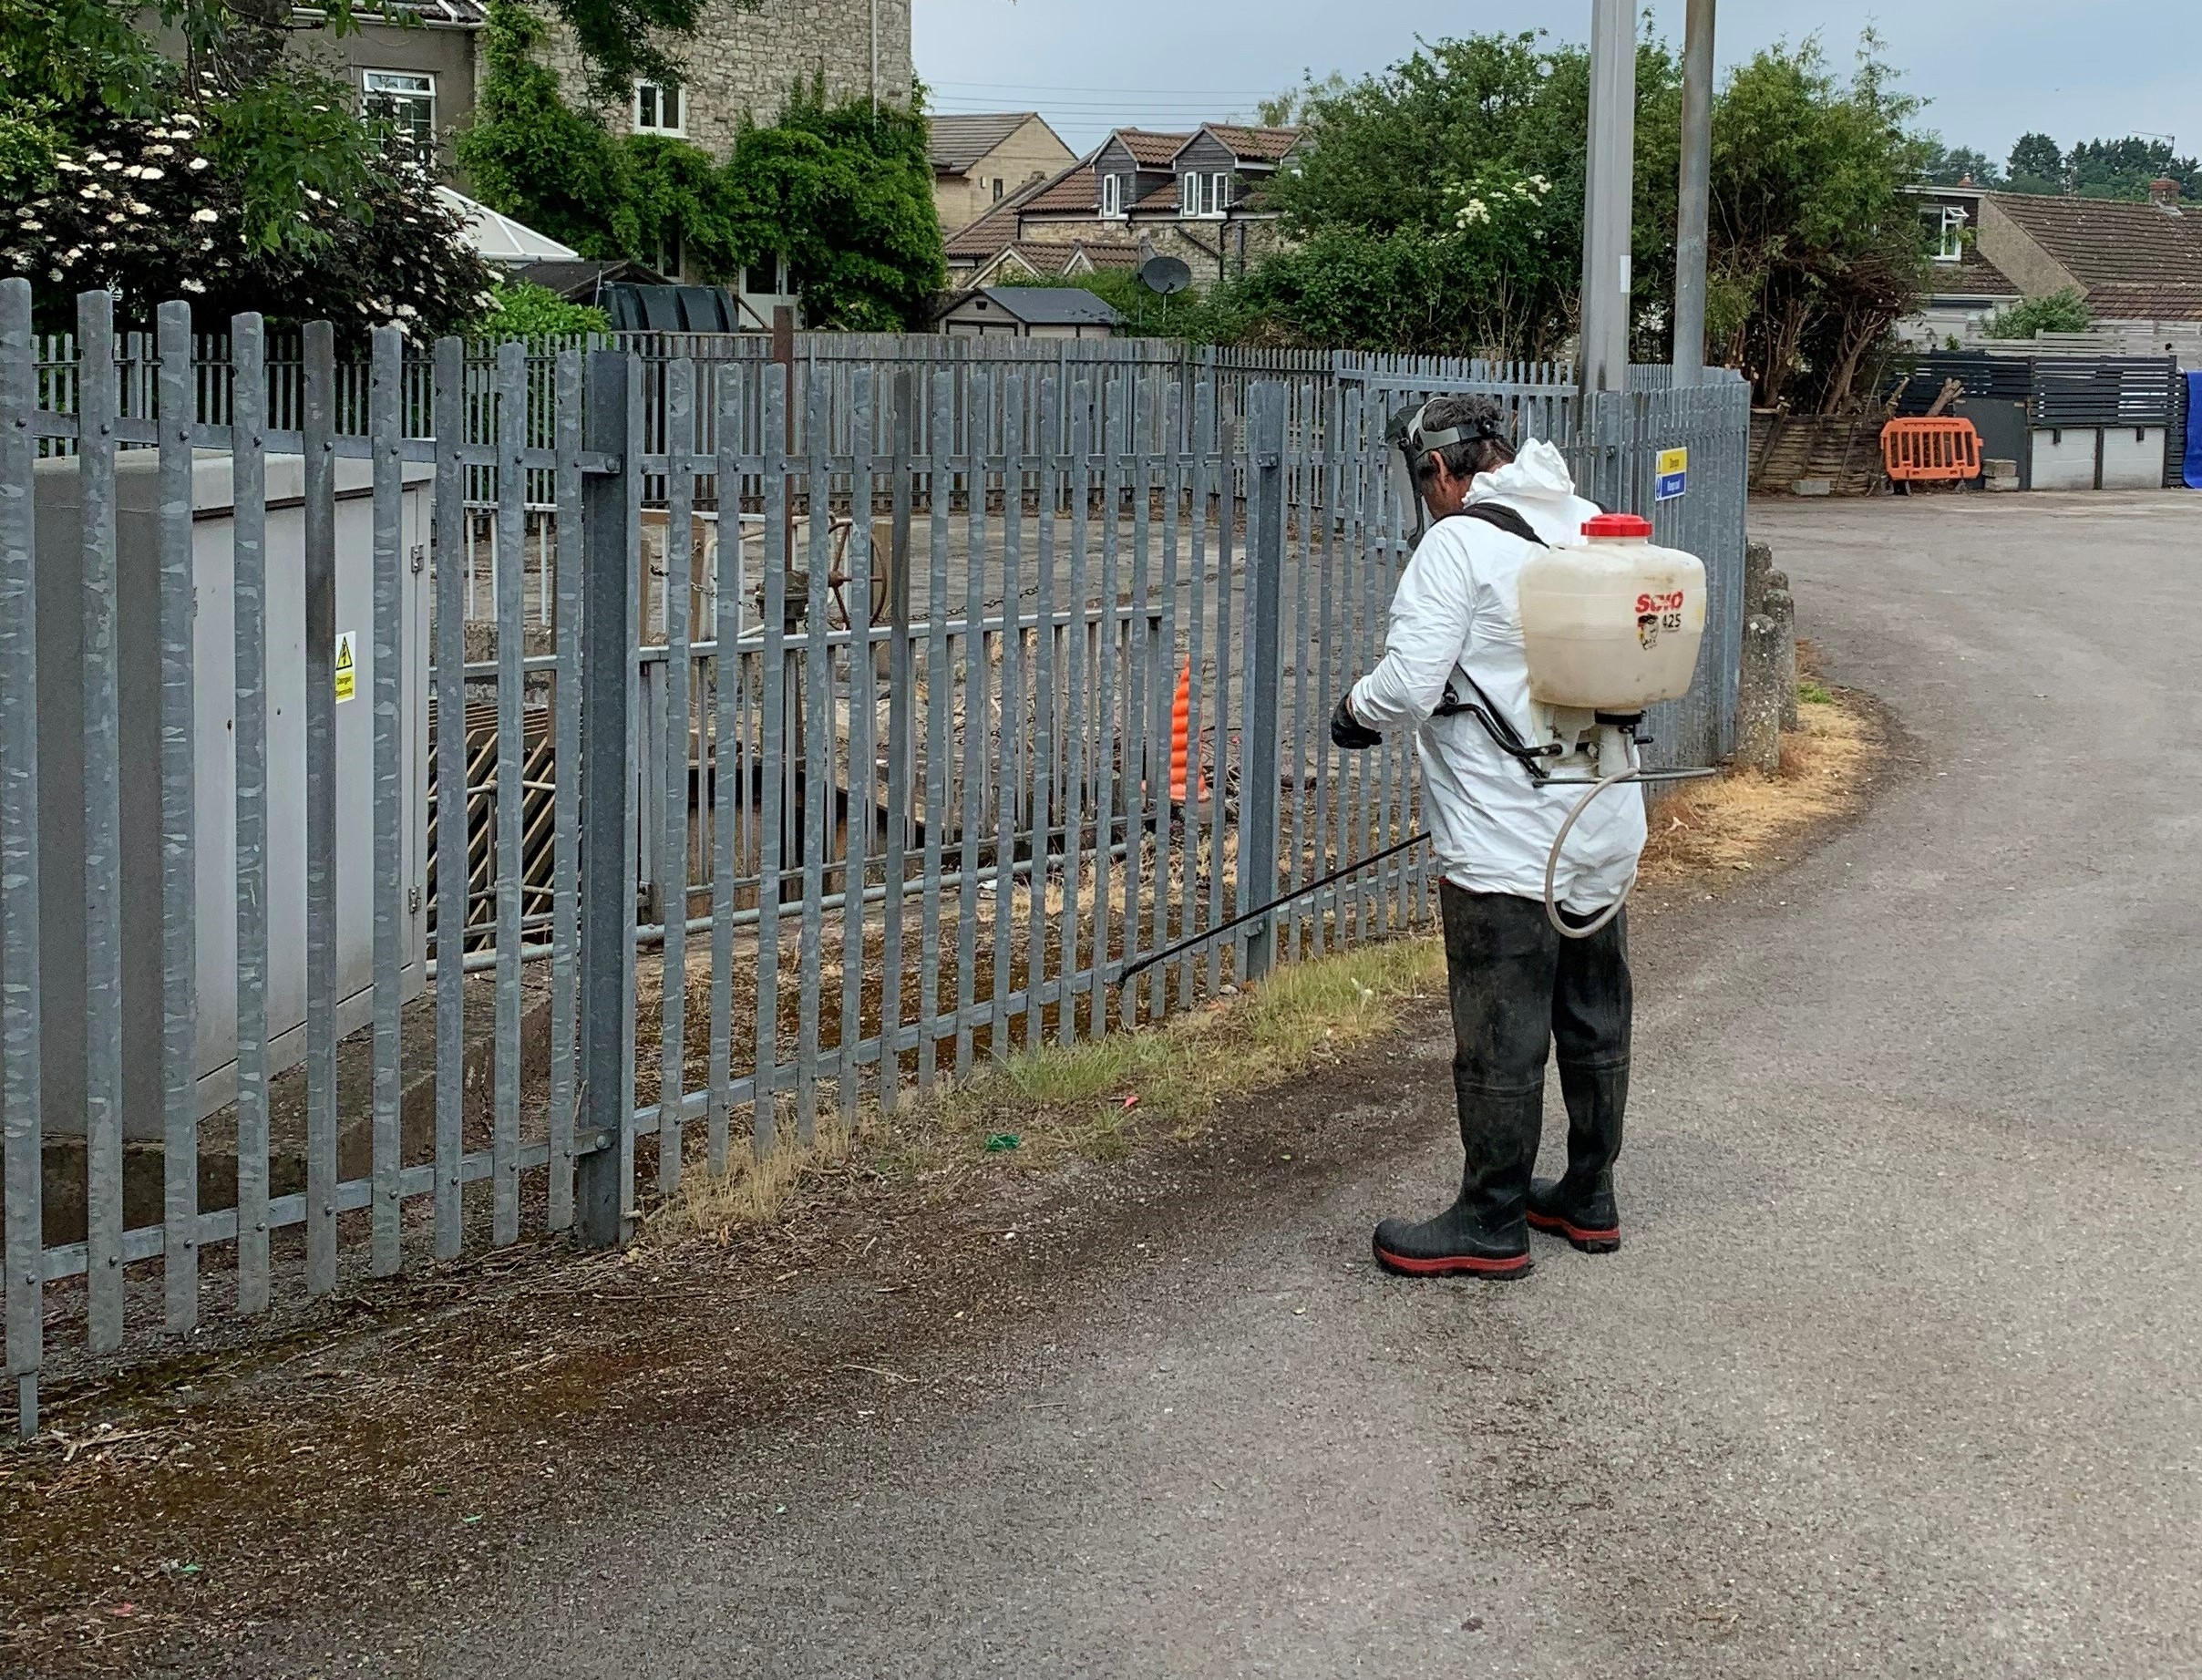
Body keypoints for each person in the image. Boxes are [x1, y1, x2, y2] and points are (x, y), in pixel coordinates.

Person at [1331, 394, 1642, 1280]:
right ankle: (1589, 1194)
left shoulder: (1456, 543)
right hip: (1601, 820)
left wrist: (1353, 713)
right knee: (1593, 1011)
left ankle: (1491, 1216)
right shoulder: (1583, 524)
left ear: (1436, 469)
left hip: (1506, 837)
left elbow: (1408, 684)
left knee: (1500, 1026)